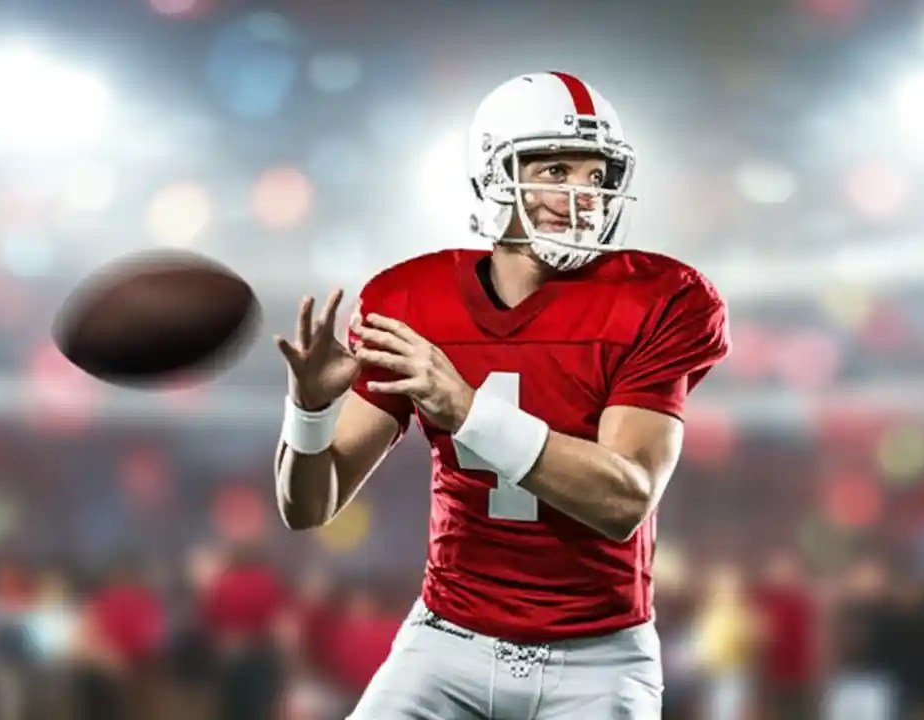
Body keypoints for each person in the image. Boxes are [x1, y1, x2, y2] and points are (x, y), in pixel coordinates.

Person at [274, 70, 730, 718]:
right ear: (495, 175)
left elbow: (623, 498)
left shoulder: (661, 297)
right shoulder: (410, 298)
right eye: (556, 169)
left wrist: (464, 409)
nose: (585, 194)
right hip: (447, 641)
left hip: (596, 658)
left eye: (596, 175)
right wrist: (310, 412)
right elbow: (307, 508)